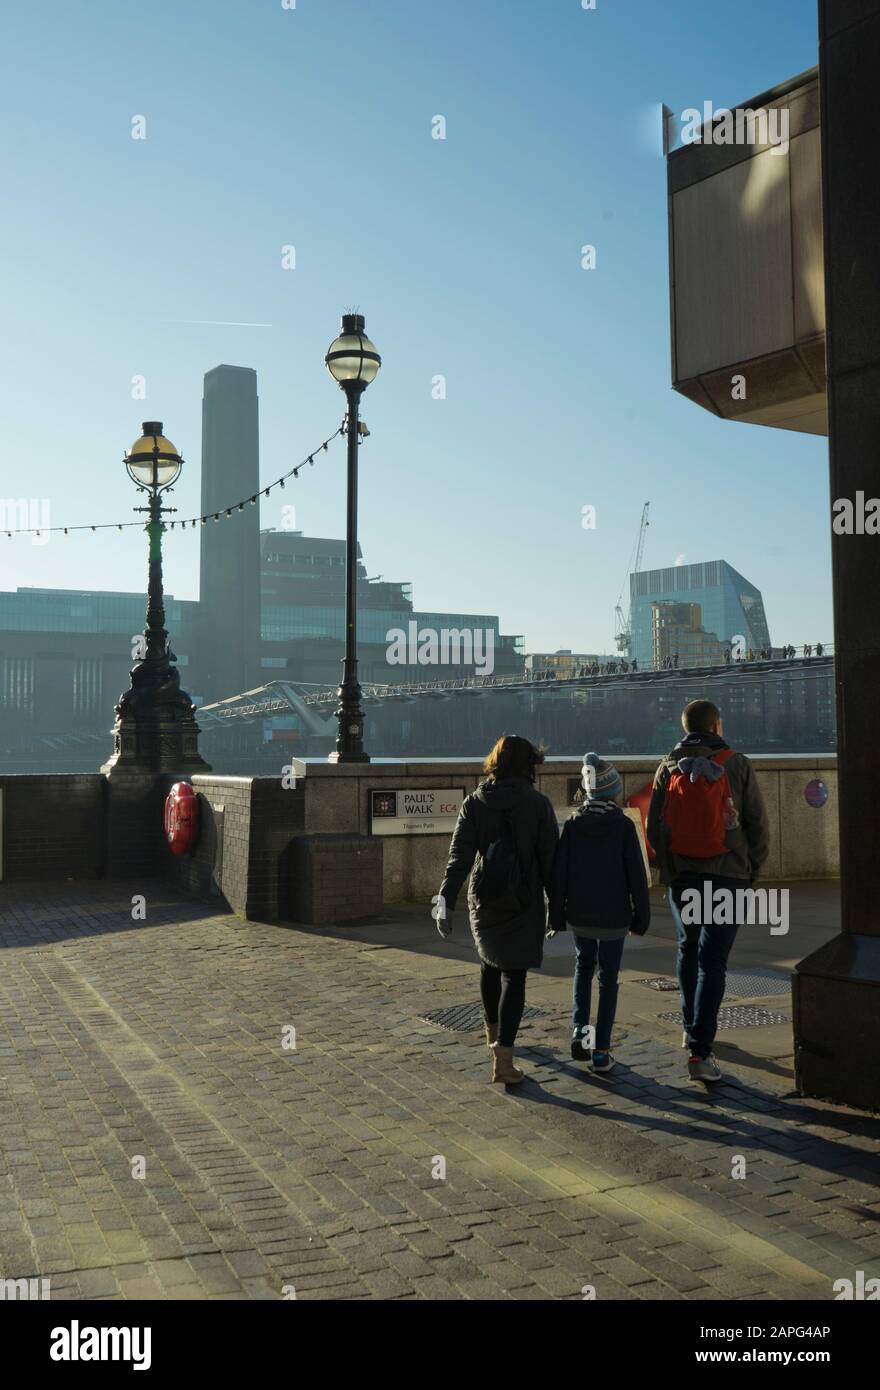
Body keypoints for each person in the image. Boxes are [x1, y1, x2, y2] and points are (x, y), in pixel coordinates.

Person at [647, 699, 769, 1083]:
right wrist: (750, 873)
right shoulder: (736, 762)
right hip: (728, 877)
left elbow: (654, 830)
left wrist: (670, 869)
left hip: (683, 877)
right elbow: (758, 825)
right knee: (713, 961)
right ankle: (702, 1052)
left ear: (686, 728)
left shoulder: (668, 766)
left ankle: (690, 1029)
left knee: (688, 951)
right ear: (717, 725)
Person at [434, 734, 558, 1084]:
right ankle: (504, 1060)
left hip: (484, 898)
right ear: (529, 764)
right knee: (514, 976)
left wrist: (445, 901)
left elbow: (458, 857)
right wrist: (558, 907)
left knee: (489, 966)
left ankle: (494, 1039)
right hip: (524, 900)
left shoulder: (475, 802)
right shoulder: (538, 804)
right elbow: (550, 862)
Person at [549, 752, 650, 1073]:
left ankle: (581, 1030)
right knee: (608, 980)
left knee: (583, 970)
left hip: (581, 915)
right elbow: (637, 876)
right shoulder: (622, 826)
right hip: (614, 917)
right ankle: (602, 1051)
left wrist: (556, 916)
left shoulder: (575, 825)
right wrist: (641, 918)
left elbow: (559, 874)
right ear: (612, 791)